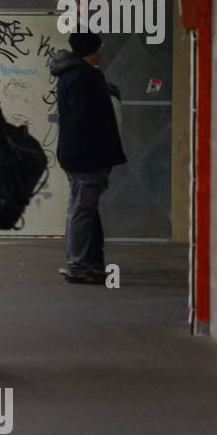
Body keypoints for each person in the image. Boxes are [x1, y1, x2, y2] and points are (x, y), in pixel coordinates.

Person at [50, 31, 127, 284]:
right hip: (86, 155)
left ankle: (91, 260)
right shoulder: (84, 77)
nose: (101, 52)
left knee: (85, 209)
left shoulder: (72, 75)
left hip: (76, 153)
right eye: (98, 48)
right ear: (89, 51)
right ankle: (77, 265)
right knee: (82, 209)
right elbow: (87, 119)